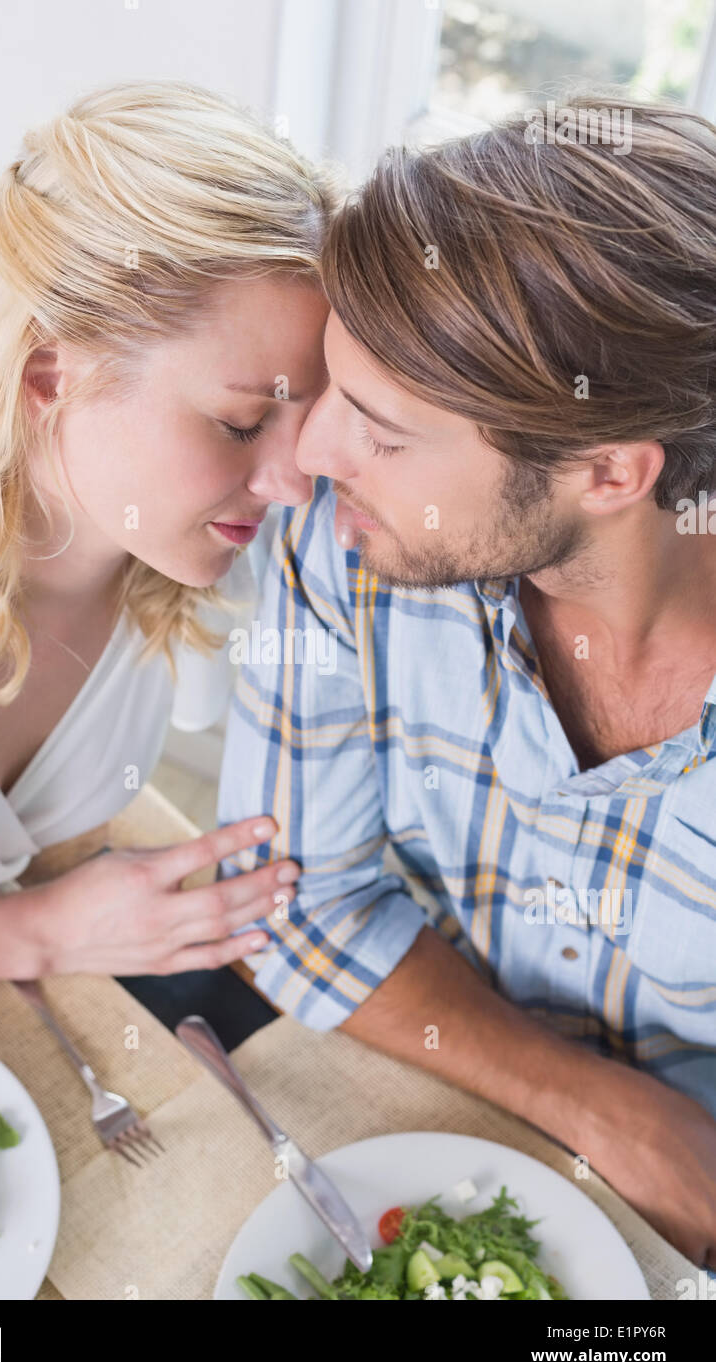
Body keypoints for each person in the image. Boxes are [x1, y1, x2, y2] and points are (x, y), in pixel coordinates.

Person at [217, 92, 716, 1270]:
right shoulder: (343, 541)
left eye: (383, 431)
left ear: (606, 470)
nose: (308, 456)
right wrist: (603, 1108)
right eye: (333, 388)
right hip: (423, 1122)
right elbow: (292, 906)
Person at [0, 80, 336, 998]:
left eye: (309, 422)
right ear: (48, 376)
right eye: (240, 424)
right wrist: (34, 936)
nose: (296, 484)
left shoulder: (183, 549)